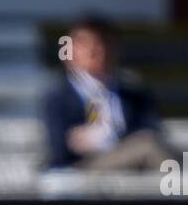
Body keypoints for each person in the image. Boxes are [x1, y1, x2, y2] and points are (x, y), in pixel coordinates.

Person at [43, 16, 172, 172]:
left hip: (133, 164)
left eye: (103, 43)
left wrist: (105, 139)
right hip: (83, 170)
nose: (96, 50)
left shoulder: (135, 94)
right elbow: (60, 150)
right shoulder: (58, 98)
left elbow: (153, 130)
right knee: (149, 148)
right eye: (85, 44)